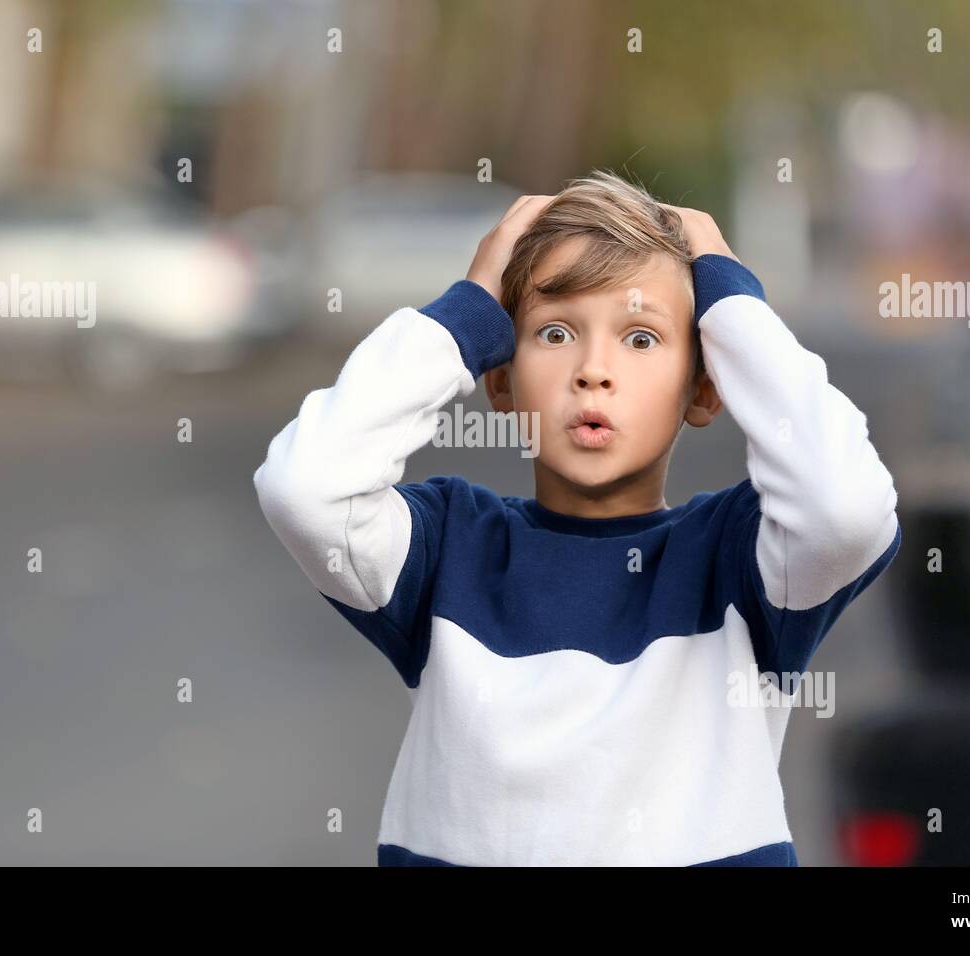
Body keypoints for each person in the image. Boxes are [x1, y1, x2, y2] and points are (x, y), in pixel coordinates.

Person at [254, 169, 901, 866]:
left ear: (707, 385)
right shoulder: (447, 548)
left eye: (642, 338)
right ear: (499, 378)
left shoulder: (742, 562)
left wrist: (731, 301)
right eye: (556, 332)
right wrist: (467, 312)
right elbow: (308, 486)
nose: (594, 369)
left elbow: (846, 506)